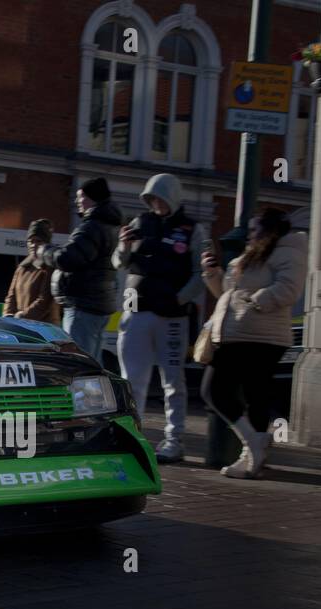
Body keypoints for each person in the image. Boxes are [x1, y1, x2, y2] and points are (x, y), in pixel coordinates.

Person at [199, 207, 307, 478]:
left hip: (258, 335)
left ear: (270, 230)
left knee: (214, 390)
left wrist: (254, 303)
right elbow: (227, 294)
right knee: (255, 396)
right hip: (240, 332)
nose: (249, 235)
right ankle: (252, 460)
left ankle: (252, 444)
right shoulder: (252, 255)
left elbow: (289, 289)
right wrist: (212, 274)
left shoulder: (288, 252)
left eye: (254, 229)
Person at [113, 173, 207, 463]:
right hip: (136, 312)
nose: (155, 203)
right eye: (151, 198)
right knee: (132, 380)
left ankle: (174, 440)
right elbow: (118, 263)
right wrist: (124, 246)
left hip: (172, 317)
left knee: (173, 381)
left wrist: (179, 298)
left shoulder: (193, 230)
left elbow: (200, 272)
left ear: (173, 197)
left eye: (160, 197)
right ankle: (133, 437)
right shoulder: (139, 223)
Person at [32, 177, 122, 361]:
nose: (76, 201)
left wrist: (44, 250)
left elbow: (68, 258)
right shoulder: (108, 225)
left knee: (78, 362)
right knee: (92, 360)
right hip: (97, 303)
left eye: (80, 196)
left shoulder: (92, 227)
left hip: (83, 305)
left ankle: (81, 391)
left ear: (91, 198)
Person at [3, 219, 60, 325]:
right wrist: (8, 314)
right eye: (31, 241)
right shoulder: (22, 268)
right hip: (21, 325)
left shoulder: (49, 268)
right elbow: (11, 295)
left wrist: (22, 316)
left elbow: (44, 301)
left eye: (38, 241)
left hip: (44, 328)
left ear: (46, 244)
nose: (34, 245)